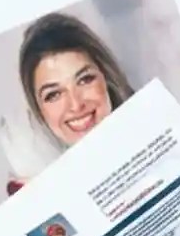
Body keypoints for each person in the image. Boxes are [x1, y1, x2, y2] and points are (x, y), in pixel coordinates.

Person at [9, 13, 134, 193]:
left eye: (85, 80)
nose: (75, 105)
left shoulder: (166, 133)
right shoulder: (36, 189)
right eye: (54, 94)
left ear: (106, 77)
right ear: (39, 110)